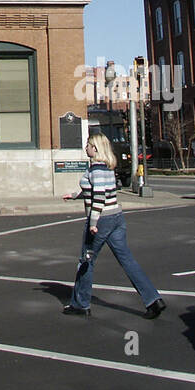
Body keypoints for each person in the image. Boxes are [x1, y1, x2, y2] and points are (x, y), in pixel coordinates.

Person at [62, 132, 165, 319]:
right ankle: (153, 299)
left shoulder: (96, 169)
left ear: (95, 148)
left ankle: (80, 304)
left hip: (101, 220)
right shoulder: (107, 168)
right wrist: (75, 195)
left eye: (88, 145)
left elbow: (99, 197)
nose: (86, 148)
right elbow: (98, 190)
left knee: (86, 261)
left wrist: (93, 223)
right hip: (116, 217)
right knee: (127, 259)